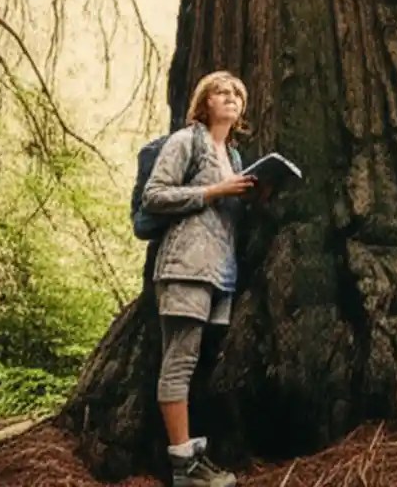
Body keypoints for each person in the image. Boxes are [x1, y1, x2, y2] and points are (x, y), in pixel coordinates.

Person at [142, 70, 258, 487]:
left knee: (201, 362)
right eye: (221, 92)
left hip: (220, 274)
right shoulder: (186, 141)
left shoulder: (235, 156)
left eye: (236, 94)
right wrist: (213, 192)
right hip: (184, 266)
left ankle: (194, 454)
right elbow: (154, 195)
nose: (230, 98)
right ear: (204, 102)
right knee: (180, 358)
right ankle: (182, 467)